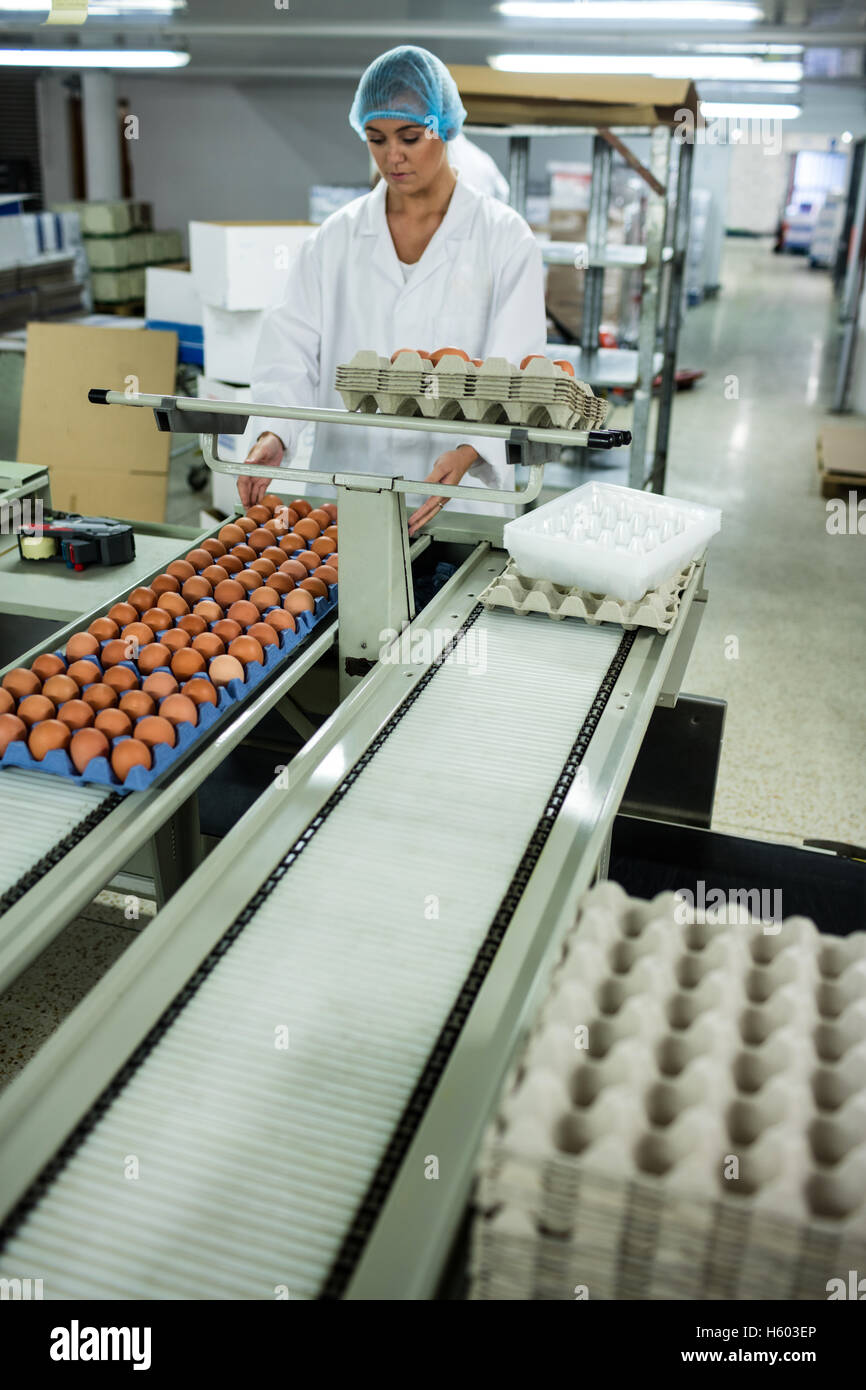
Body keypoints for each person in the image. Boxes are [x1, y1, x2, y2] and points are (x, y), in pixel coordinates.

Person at [241, 45, 545, 536]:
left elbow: (515, 370)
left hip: (457, 501)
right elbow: (290, 351)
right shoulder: (333, 240)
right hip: (347, 491)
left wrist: (472, 452)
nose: (393, 156)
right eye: (376, 138)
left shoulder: (504, 239)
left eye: (410, 136)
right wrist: (276, 433)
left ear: (444, 128)